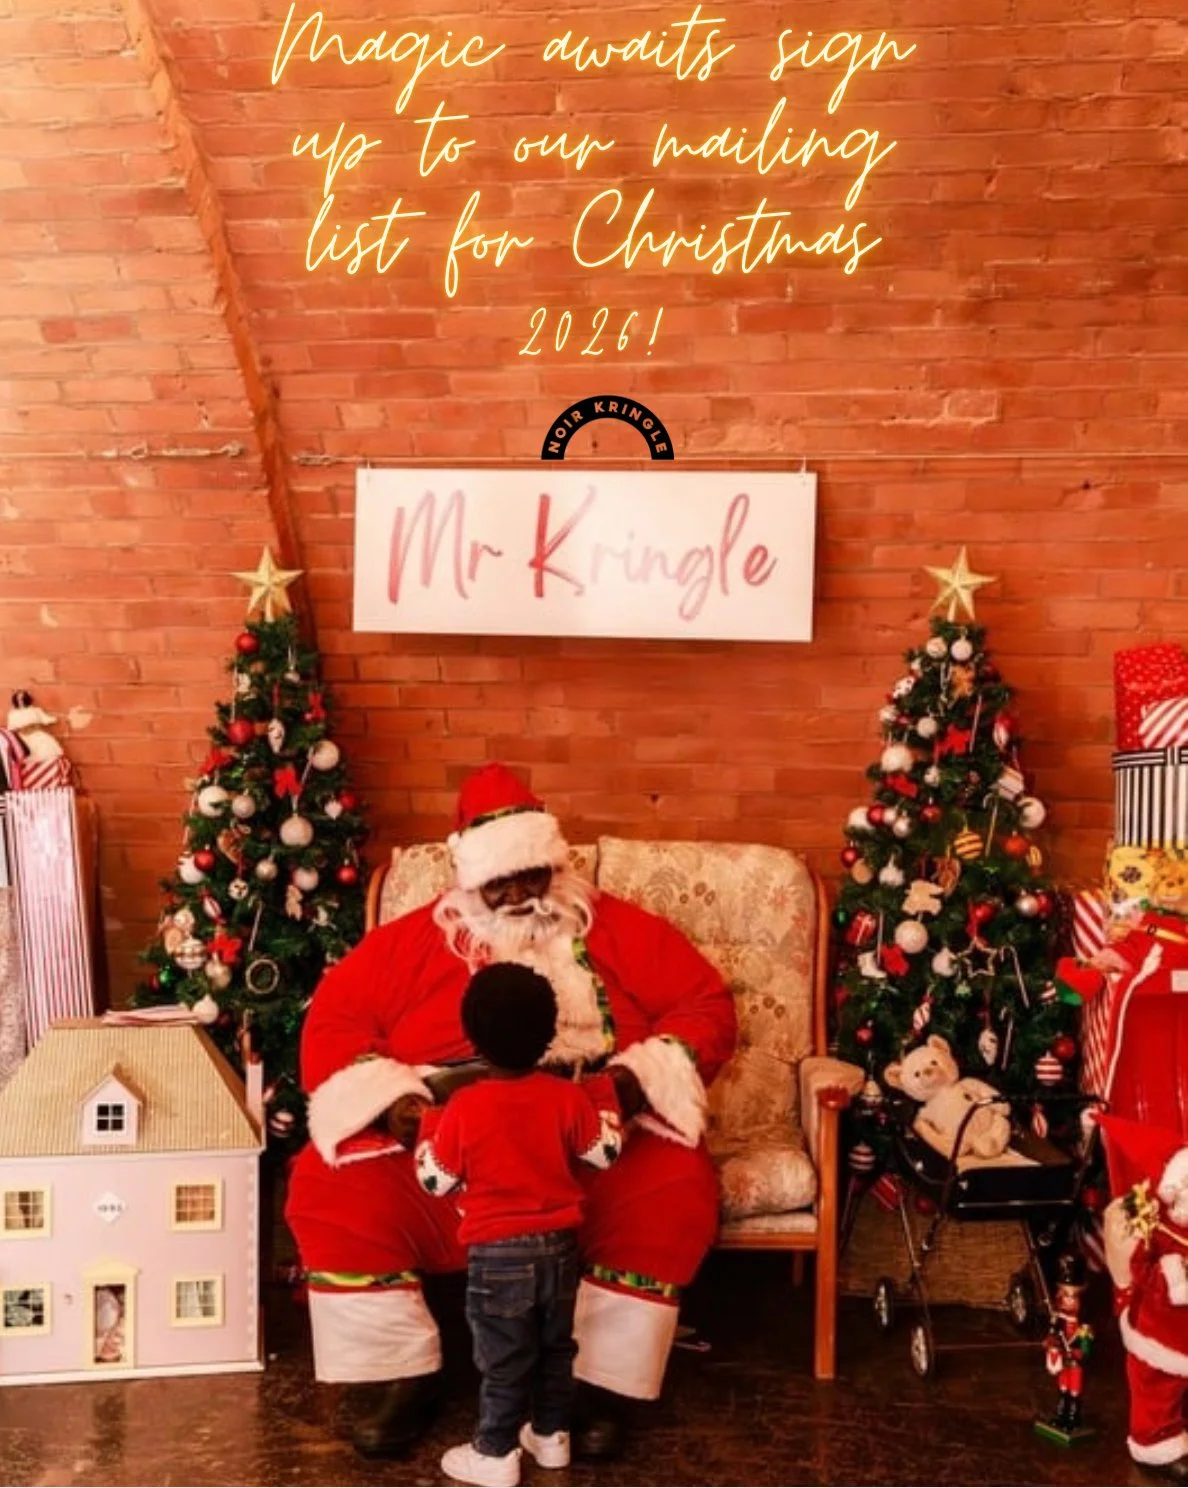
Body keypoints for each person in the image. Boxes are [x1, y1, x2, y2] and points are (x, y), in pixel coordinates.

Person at [285, 762, 737, 1460]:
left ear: (555, 864)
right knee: (332, 1185)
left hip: (581, 1121)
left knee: (670, 1182)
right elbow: (333, 1025)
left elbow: (704, 1003)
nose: (523, 896)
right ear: (470, 880)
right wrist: (394, 1104)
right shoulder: (411, 942)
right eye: (503, 882)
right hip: (451, 1128)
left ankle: (597, 1382)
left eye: (534, 876)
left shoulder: (616, 928)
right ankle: (400, 1374)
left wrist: (635, 1080)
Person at [414, 962, 623, 1487]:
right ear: (549, 1033)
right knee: (555, 1349)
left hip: (497, 1255)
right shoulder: (567, 1098)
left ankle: (495, 1452)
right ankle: (551, 1436)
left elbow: (437, 1181)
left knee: (504, 1359)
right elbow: (603, 1154)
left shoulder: (464, 1106)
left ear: (473, 1038)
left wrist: (426, 1137)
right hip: (560, 1250)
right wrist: (606, 1111)